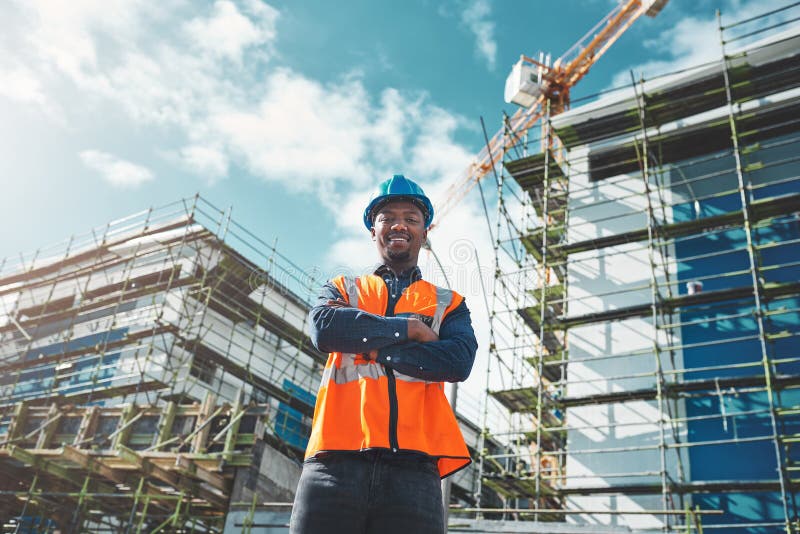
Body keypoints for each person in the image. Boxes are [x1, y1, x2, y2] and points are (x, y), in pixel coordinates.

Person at [290, 175, 478, 534]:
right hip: (333, 463)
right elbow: (326, 329)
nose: (399, 224)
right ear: (373, 230)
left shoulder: (449, 304)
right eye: (387, 216)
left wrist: (371, 346)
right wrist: (408, 329)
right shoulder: (343, 288)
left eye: (411, 217)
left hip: (414, 473)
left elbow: (457, 361)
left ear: (424, 232)